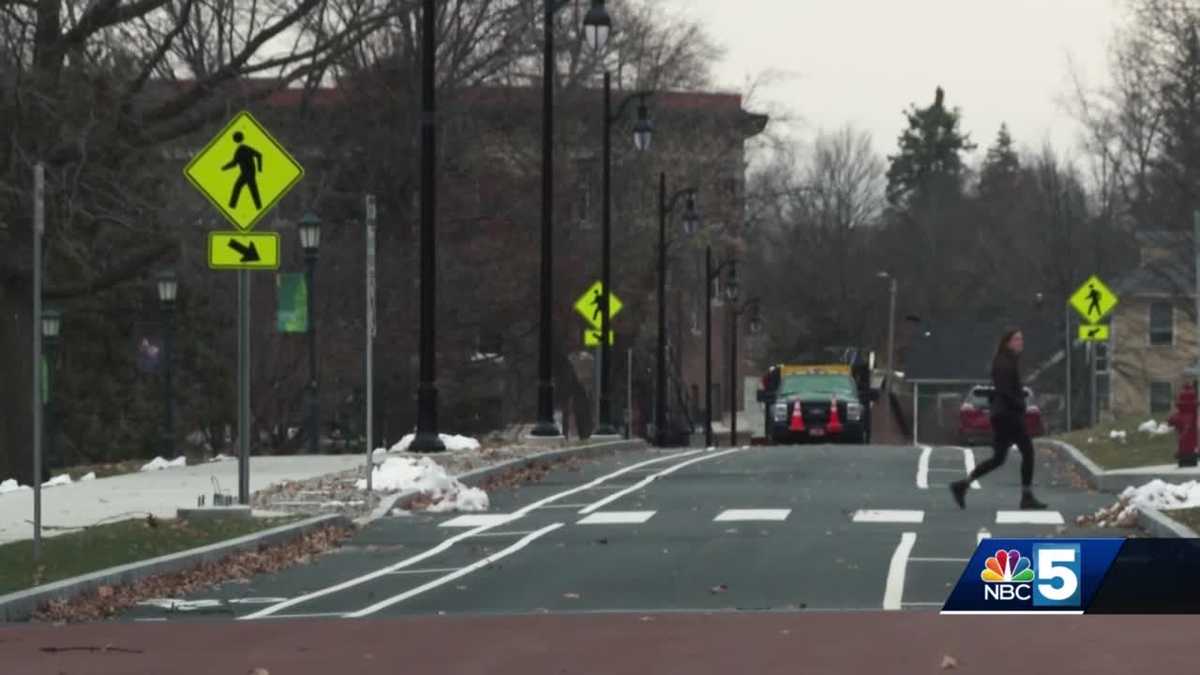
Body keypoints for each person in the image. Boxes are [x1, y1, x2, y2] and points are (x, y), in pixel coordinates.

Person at [950, 328, 1047, 510]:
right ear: (1007, 342)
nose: (1021, 342)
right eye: (1017, 339)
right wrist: (1020, 404)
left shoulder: (1008, 360)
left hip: (1003, 414)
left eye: (1021, 339)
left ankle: (962, 485)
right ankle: (1026, 497)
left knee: (998, 458)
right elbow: (1004, 390)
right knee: (1027, 451)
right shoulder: (1004, 363)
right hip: (1008, 415)